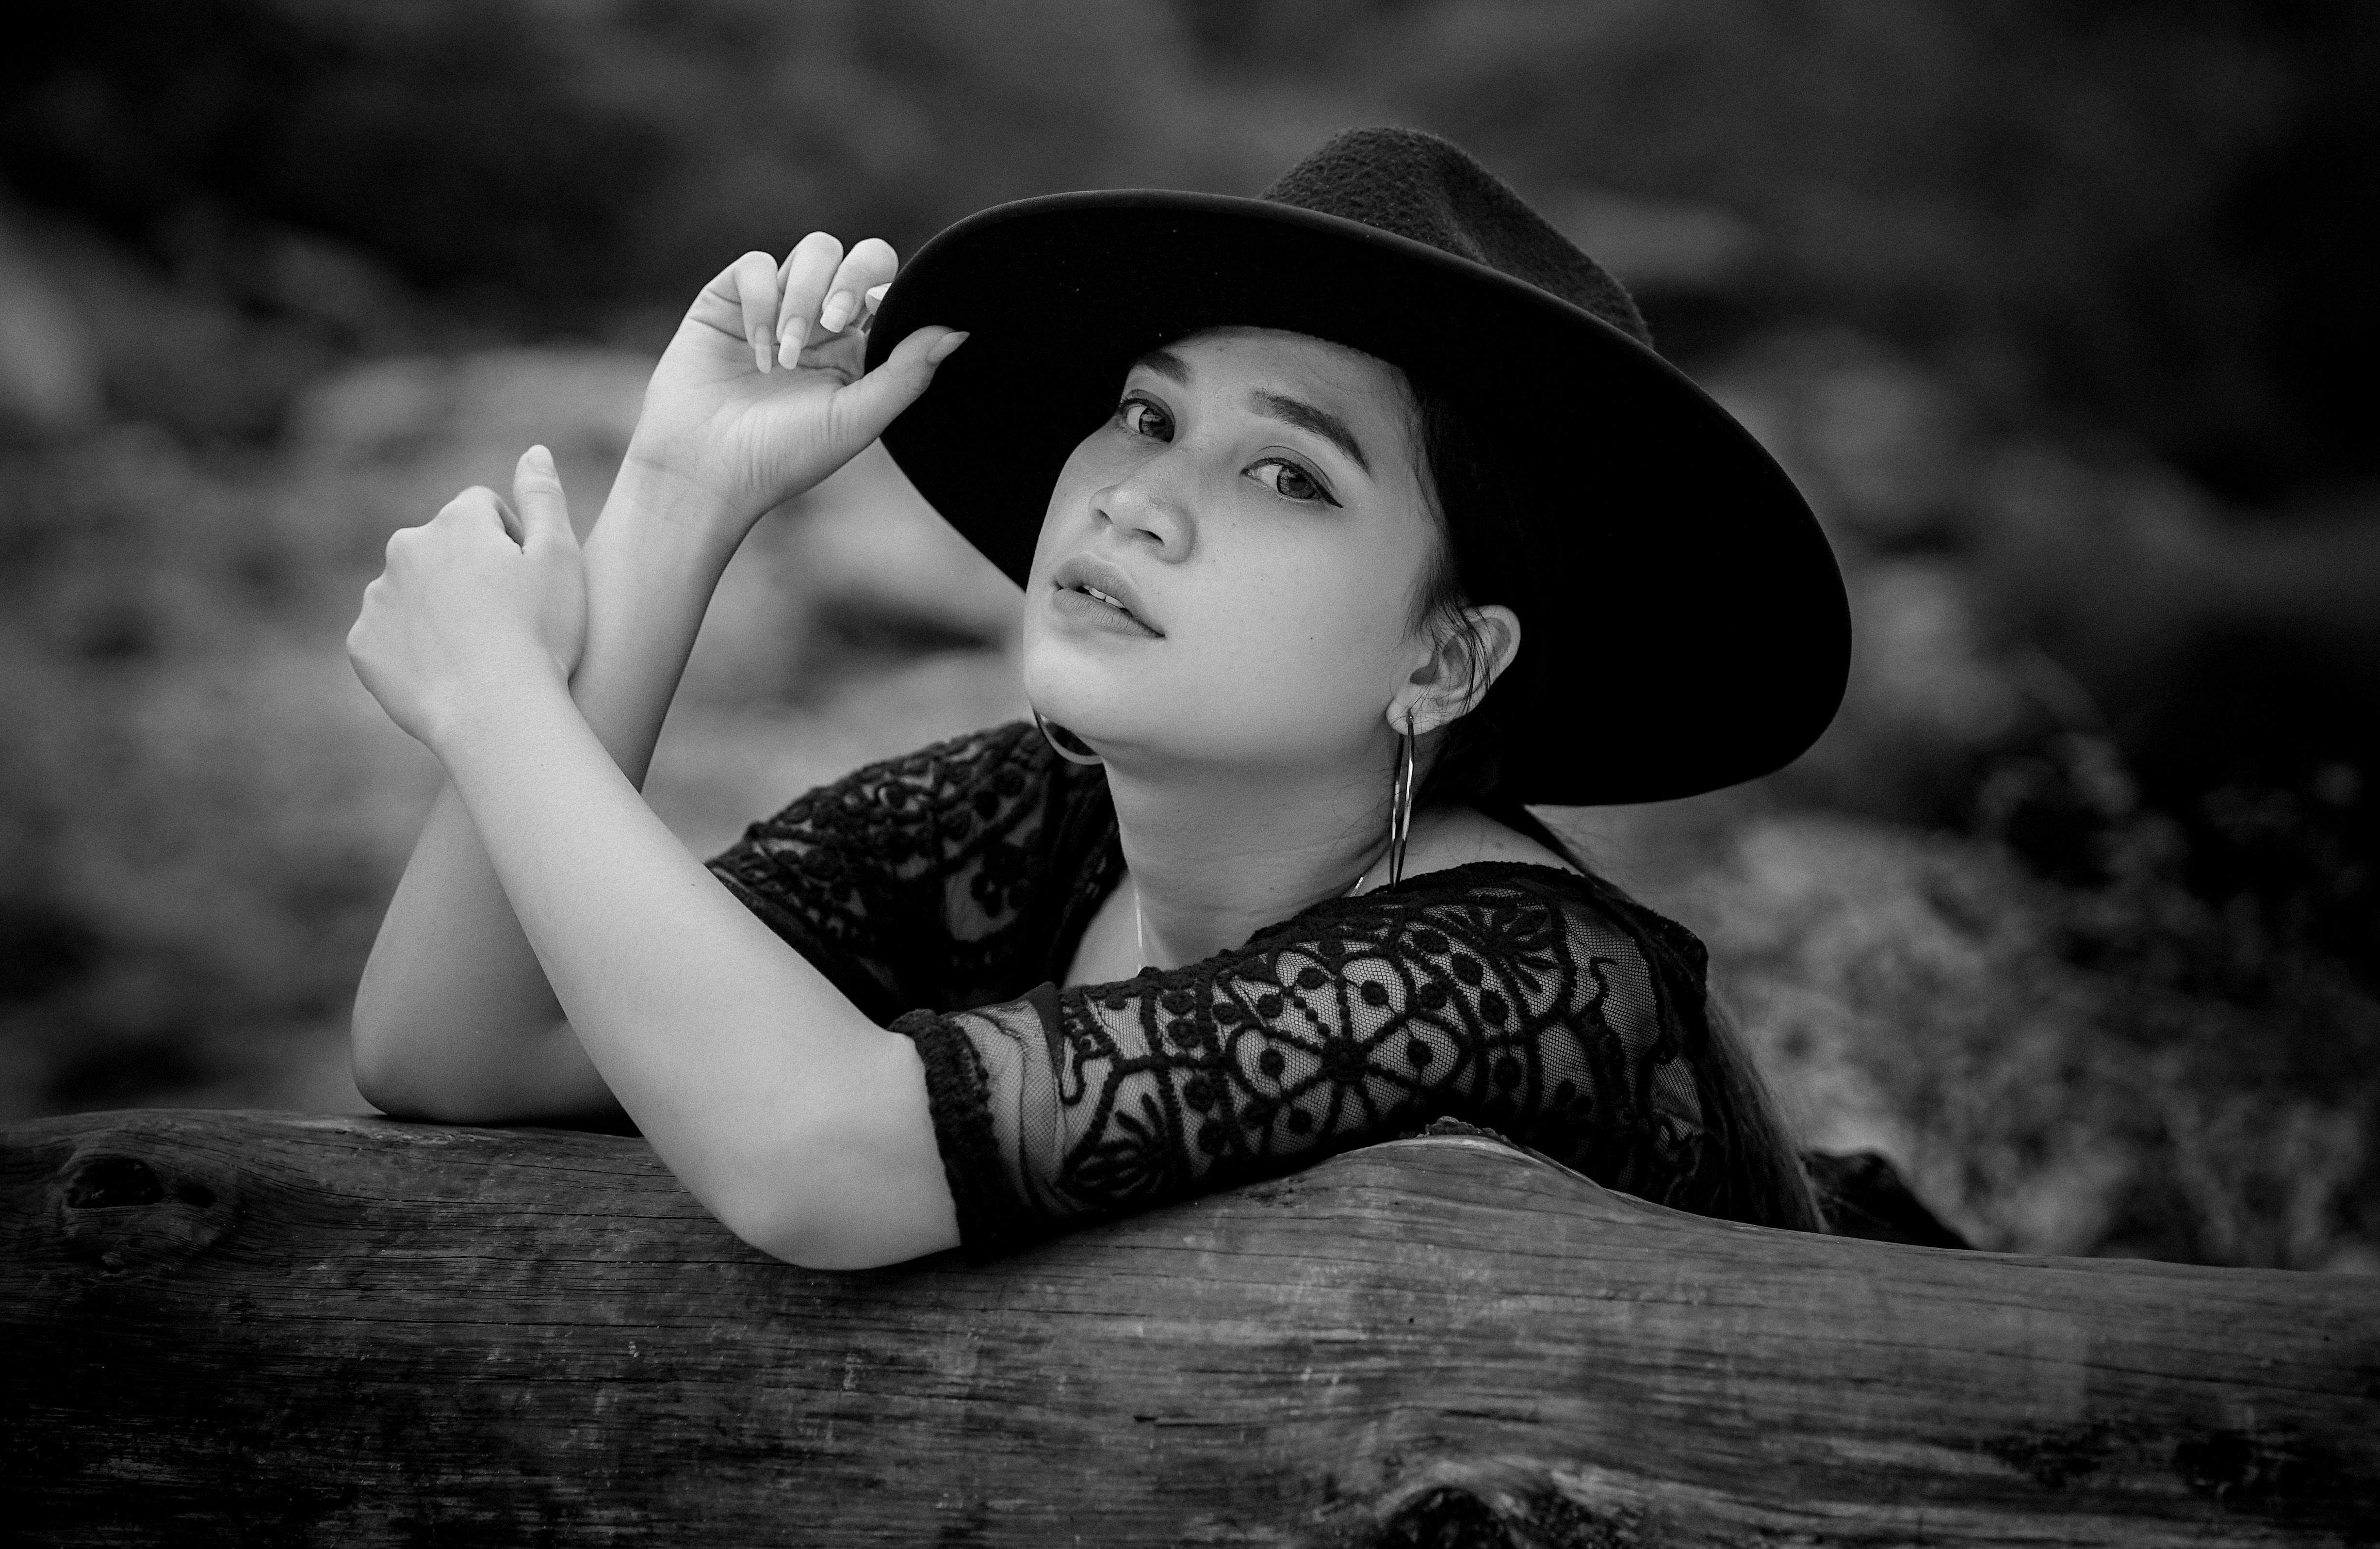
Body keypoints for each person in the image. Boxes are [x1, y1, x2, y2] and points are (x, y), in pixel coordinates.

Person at [345, 127, 1852, 1270]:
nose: (1137, 500)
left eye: (1287, 474)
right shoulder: (1036, 816)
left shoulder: (1517, 974)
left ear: (1442, 662)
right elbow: (454, 1050)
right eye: (1147, 413)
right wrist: (679, 501)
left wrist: (497, 698)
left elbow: (818, 1153)